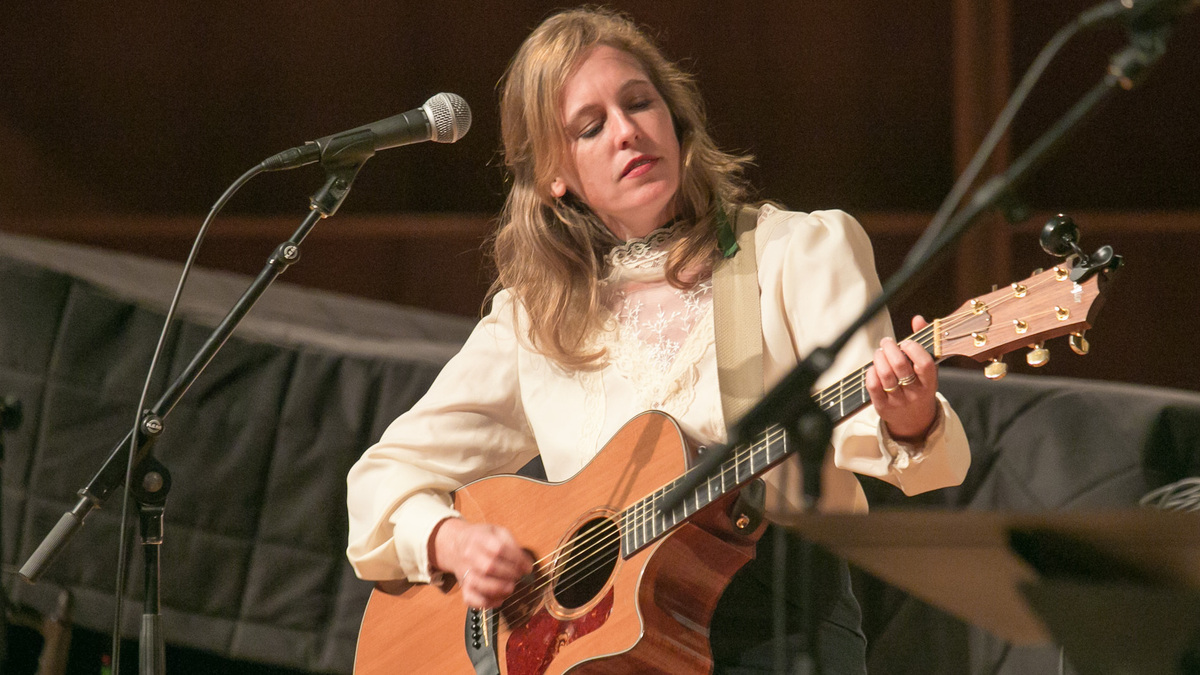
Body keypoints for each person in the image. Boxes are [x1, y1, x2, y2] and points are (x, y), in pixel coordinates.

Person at [346, 7, 970, 673]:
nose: (626, 132)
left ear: (673, 117)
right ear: (556, 176)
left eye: (639, 103)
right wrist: (451, 540)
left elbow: (881, 438)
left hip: (780, 635)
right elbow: (383, 477)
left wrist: (910, 418)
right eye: (590, 127)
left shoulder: (796, 252)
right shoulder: (535, 318)